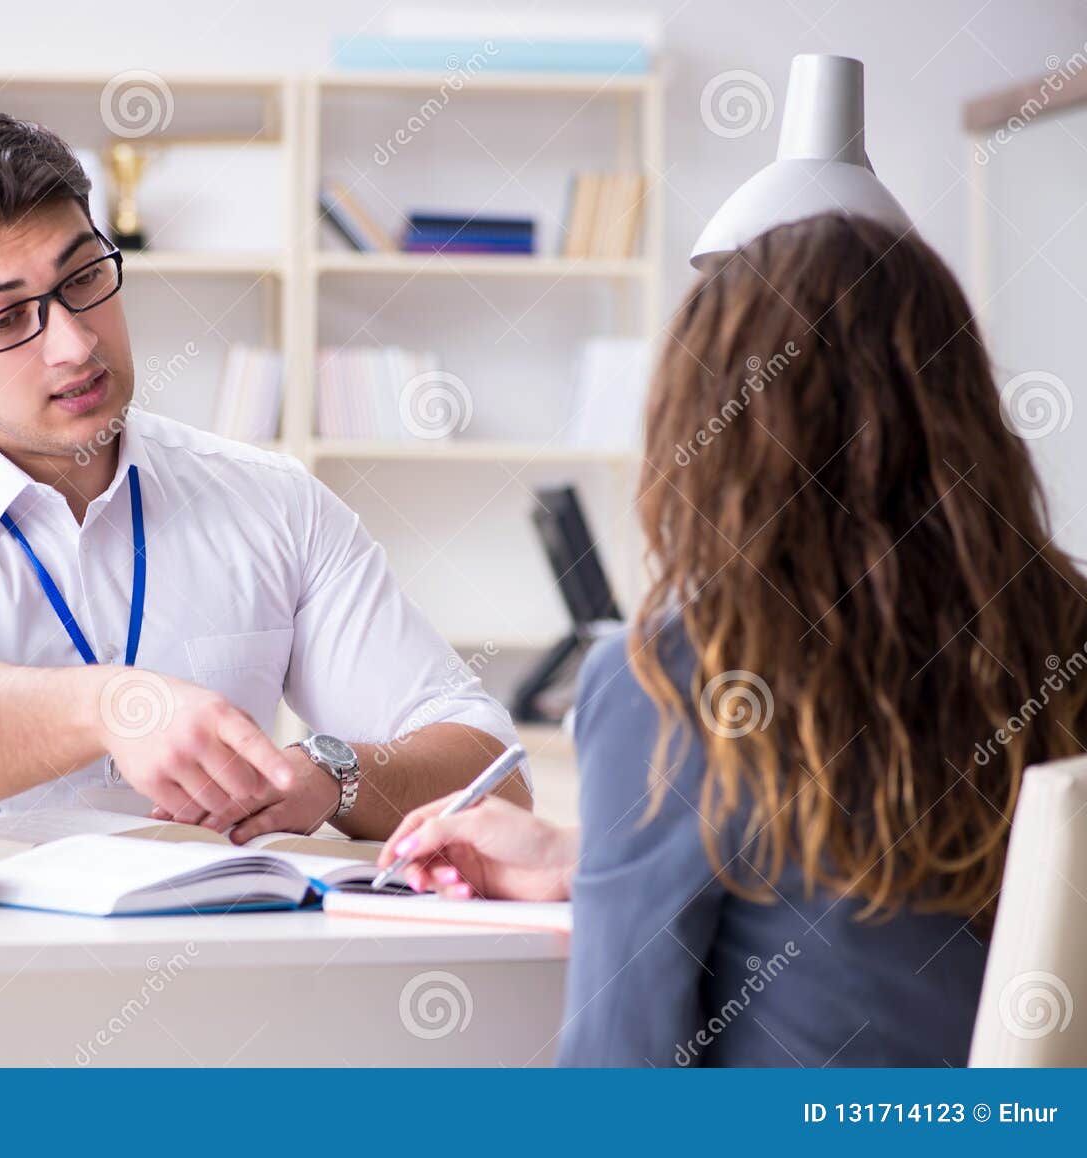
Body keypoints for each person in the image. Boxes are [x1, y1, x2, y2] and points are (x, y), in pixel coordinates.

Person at [379, 213, 1087, 1066]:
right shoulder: (1062, 629)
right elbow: (857, 906)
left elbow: (619, 1076)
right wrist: (591, 858)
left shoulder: (680, 675)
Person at [0, 102, 527, 842]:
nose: (75, 345)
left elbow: (494, 777)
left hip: (222, 960)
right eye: (6, 318)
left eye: (84, 277)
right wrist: (113, 705)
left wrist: (333, 776)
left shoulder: (274, 502)